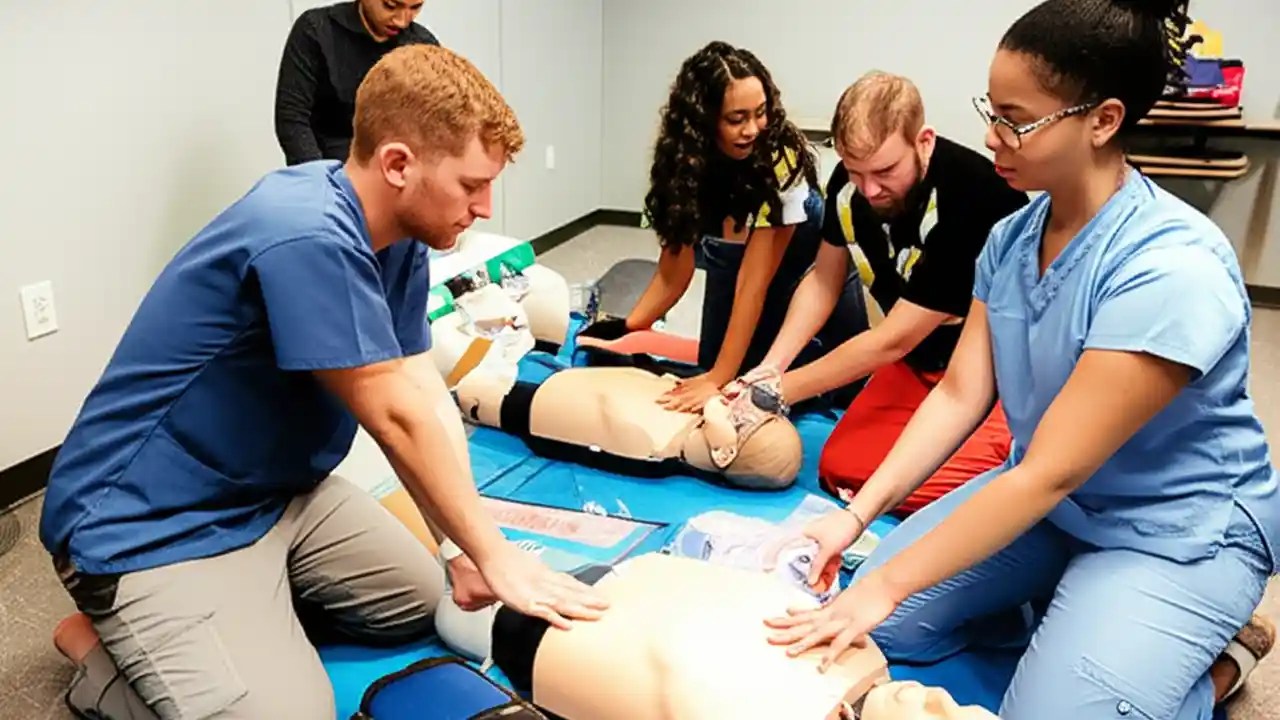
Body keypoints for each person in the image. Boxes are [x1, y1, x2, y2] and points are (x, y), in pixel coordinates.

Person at [39, 45, 606, 720]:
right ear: (398, 164)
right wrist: (500, 555)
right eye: (471, 184)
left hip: (276, 496)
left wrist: (464, 548)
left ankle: (243, 619)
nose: (484, 206)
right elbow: (392, 417)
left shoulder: (397, 237)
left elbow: (420, 392)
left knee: (419, 601)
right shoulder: (304, 230)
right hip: (150, 527)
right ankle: (100, 658)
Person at [764, 1, 1279, 718]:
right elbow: (957, 396)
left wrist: (884, 586)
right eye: (992, 109)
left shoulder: (1171, 267)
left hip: (1174, 530)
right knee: (882, 620)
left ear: (1102, 121)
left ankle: (1219, 664)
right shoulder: (1011, 240)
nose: (991, 136)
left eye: (1016, 119)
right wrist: (855, 525)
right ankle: (1075, 614)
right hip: (1059, 509)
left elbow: (1048, 471)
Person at [729, 71, 1028, 516]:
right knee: (841, 468)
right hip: (920, 363)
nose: (869, 189)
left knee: (969, 490)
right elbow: (823, 280)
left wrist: (777, 392)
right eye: (855, 171)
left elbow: (894, 338)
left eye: (886, 171)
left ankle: (1008, 462)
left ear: (923, 142)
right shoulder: (849, 188)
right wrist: (769, 368)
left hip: (999, 373)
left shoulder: (974, 195)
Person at [579, 41, 869, 413]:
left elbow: (754, 284)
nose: (753, 129)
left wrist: (720, 378)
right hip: (737, 269)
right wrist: (628, 328)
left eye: (761, 113)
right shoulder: (682, 166)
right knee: (715, 368)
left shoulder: (781, 157)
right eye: (737, 119)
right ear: (704, 120)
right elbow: (673, 272)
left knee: (840, 390)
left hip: (809, 273)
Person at [274, 0, 440, 166]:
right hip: (328, 171)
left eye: (415, 8)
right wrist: (319, 182)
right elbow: (292, 118)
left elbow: (436, 124)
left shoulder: (423, 46)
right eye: (390, 6)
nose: (402, 21)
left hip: (396, 175)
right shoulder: (316, 30)